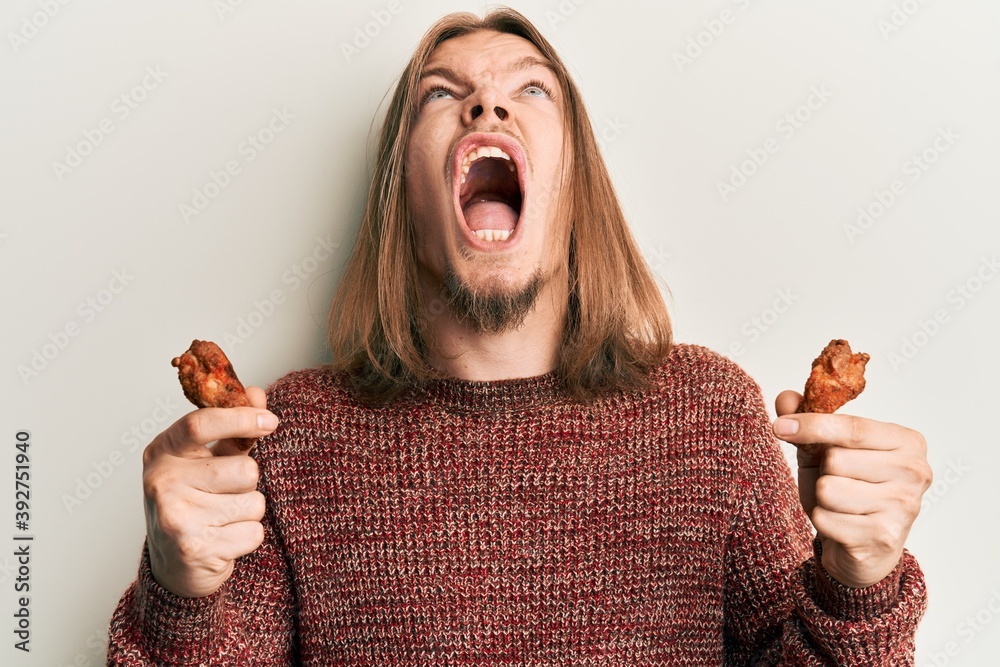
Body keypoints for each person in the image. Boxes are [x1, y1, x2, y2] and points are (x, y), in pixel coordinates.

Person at [107, 8, 931, 665]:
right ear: (405, 199)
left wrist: (859, 585)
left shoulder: (710, 415)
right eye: (441, 94)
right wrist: (180, 596)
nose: (486, 104)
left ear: (573, 188)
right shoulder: (296, 437)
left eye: (532, 89)